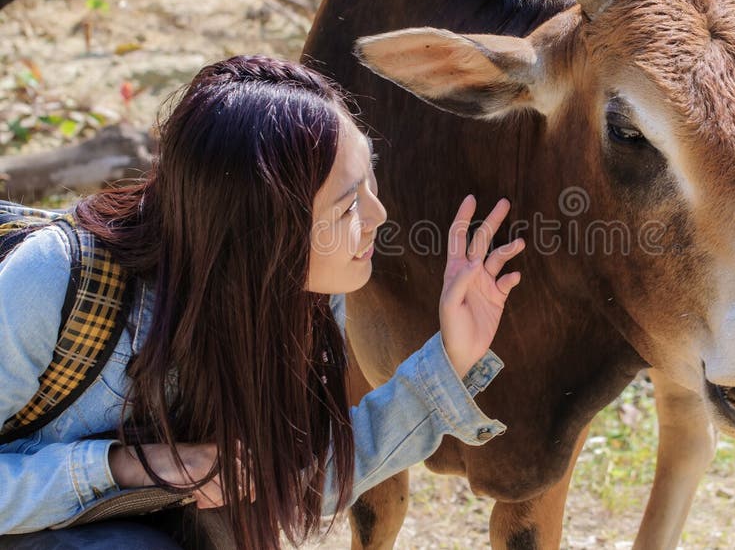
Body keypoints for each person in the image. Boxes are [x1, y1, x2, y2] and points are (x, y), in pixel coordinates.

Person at [0, 55, 525, 549]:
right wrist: (129, 467)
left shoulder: (302, 296)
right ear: (264, 233)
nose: (380, 214)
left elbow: (295, 487)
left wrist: (452, 357)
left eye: (370, 177)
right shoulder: (52, 283)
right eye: (347, 207)